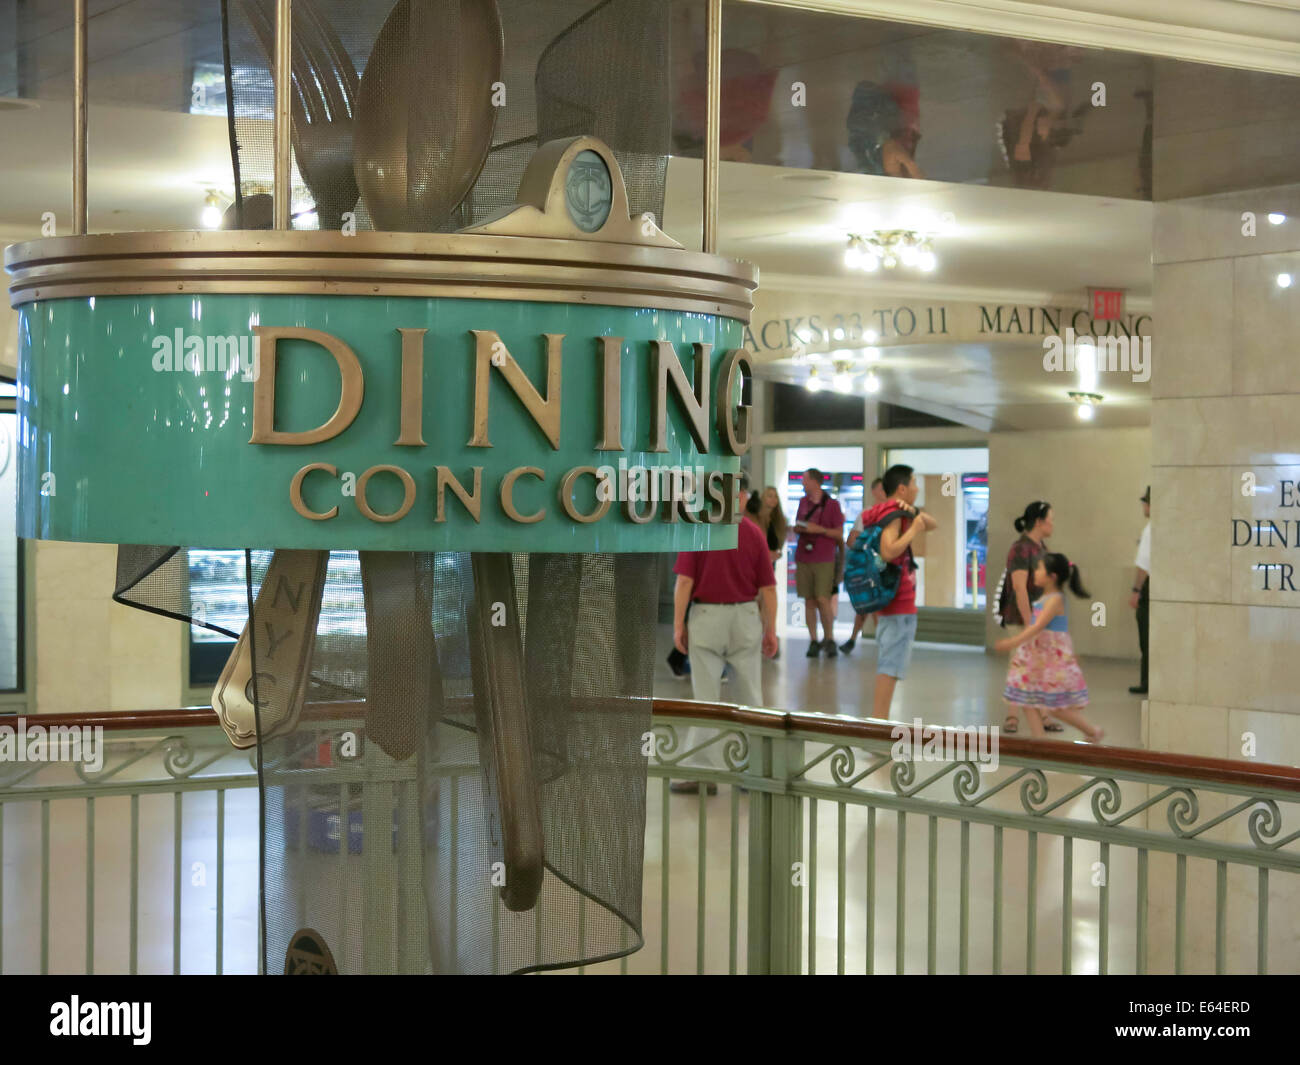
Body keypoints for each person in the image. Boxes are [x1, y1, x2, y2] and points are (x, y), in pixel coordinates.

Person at [671, 473, 778, 793]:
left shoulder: (698, 529)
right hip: (745, 617)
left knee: (706, 699)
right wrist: (771, 630)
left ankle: (703, 774)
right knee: (750, 698)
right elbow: (768, 589)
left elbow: (685, 582)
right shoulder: (754, 534)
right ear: (743, 497)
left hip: (707, 617)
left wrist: (679, 624)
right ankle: (753, 771)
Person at [995, 553, 1104, 742]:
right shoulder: (1043, 598)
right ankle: (1040, 742)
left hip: (1051, 659)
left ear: (1052, 576)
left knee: (1055, 708)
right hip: (1037, 657)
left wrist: (1012, 642)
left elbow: (1037, 627)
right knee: (1026, 700)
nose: (1035, 572)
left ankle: (1093, 731)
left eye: (1039, 569)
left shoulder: (1056, 600)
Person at [857, 465, 937, 717]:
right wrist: (913, 529)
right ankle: (878, 726)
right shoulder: (893, 515)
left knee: (889, 666)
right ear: (902, 488)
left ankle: (878, 724)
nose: (917, 488)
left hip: (891, 603)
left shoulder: (886, 511)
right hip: (898, 603)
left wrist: (913, 514)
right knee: (889, 669)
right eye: (914, 483)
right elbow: (888, 552)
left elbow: (932, 523)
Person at [997, 501, 1063, 734]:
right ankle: (1012, 716)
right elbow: (1019, 587)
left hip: (1040, 618)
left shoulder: (1041, 548)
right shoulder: (1020, 549)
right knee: (1019, 664)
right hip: (1021, 618)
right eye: (1050, 519)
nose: (1053, 524)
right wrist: (1029, 623)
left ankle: (1044, 715)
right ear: (1039, 522)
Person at [794, 468, 845, 657]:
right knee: (809, 600)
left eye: (805, 479)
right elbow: (798, 524)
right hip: (803, 556)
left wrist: (819, 530)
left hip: (824, 558)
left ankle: (829, 638)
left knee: (823, 599)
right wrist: (800, 528)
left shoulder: (832, 505)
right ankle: (813, 640)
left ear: (815, 481)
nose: (802, 483)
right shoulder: (802, 502)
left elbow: (839, 533)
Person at [840, 477, 886, 654]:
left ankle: (883, 644)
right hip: (869, 566)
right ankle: (855, 639)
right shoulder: (867, 514)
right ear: (874, 491)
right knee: (868, 605)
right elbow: (851, 540)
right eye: (881, 488)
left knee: (877, 607)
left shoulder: (894, 513)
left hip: (886, 567)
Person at [1129, 486, 1151, 695]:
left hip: (1149, 588)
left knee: (1146, 637)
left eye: (1145, 502)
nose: (1143, 506)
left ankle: (1147, 681)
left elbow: (1143, 564)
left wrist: (1136, 590)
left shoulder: (1150, 529)